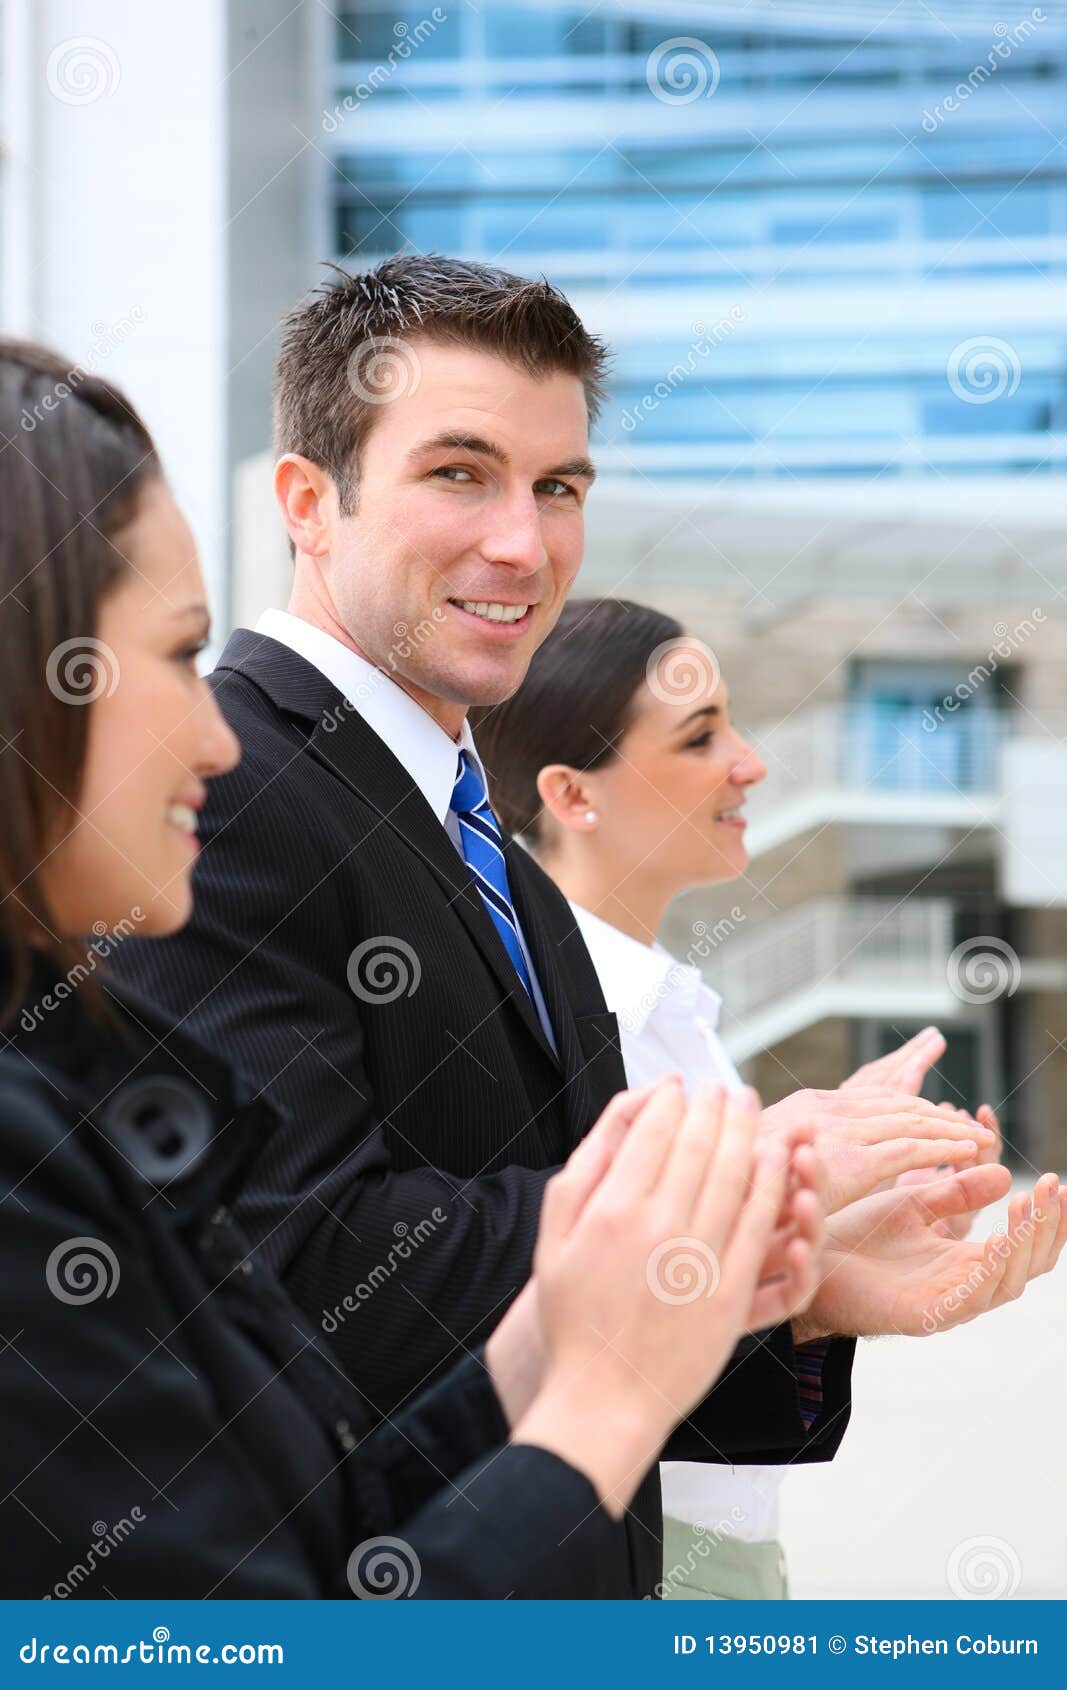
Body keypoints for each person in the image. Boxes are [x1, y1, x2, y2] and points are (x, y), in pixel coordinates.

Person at [109, 255, 926, 1593]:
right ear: (308, 501)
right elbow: (300, 1269)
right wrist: (730, 1194)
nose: (522, 543)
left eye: (557, 488)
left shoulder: (481, 835)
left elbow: (592, 1360)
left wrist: (802, 1292)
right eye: (458, 473)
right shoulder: (232, 788)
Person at [472, 595, 1067, 1600]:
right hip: (627, 1562)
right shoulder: (539, 1024)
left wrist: (832, 1254)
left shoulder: (677, 1010)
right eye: (701, 735)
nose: (748, 761)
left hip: (723, 1554)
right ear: (573, 794)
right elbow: (541, 1326)